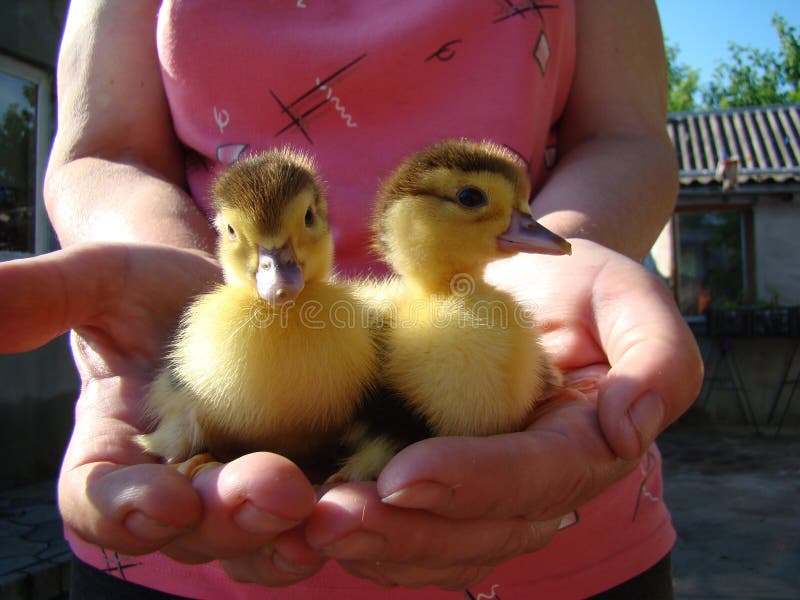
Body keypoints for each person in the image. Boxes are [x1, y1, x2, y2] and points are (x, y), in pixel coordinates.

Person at [0, 0, 703, 597]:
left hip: (572, 548)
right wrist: (153, 261)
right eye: (474, 203)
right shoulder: (262, 328)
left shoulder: (419, 333)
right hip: (175, 557)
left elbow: (624, 136)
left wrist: (576, 248)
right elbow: (102, 147)